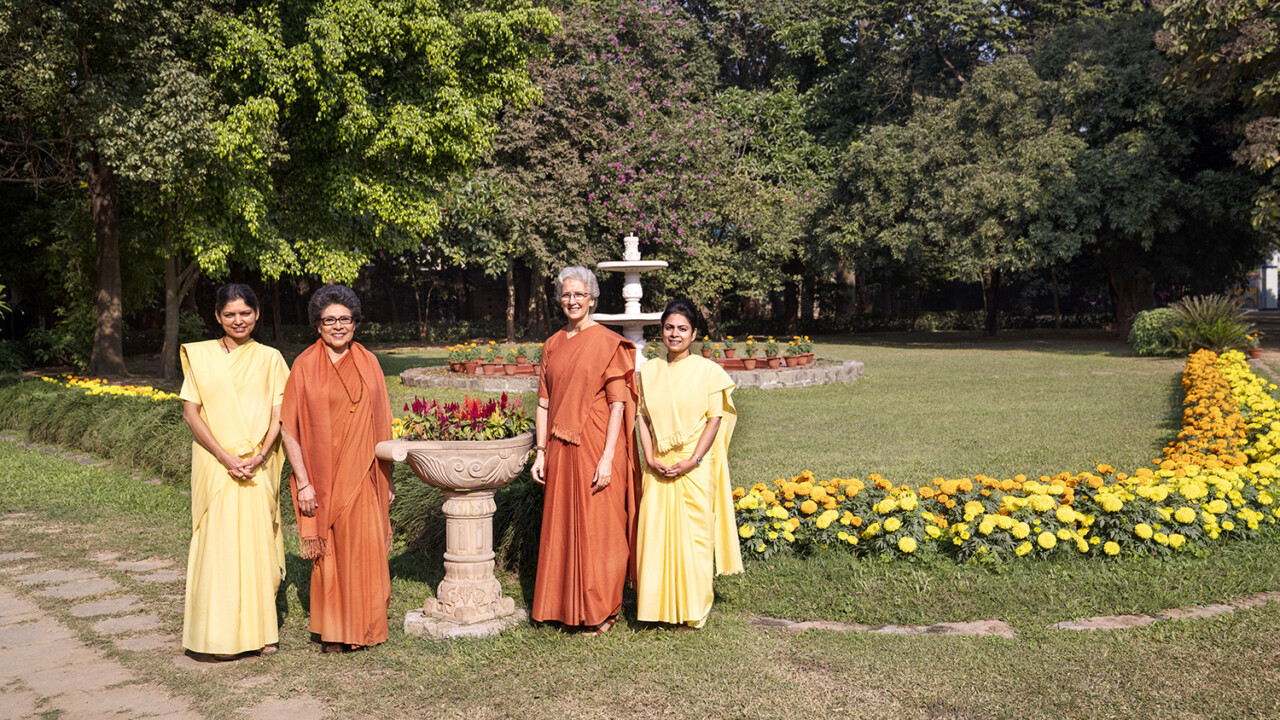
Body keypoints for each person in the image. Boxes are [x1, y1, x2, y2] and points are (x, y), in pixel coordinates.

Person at [280, 285, 395, 653]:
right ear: (318, 325)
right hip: (320, 477)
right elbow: (288, 427)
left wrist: (388, 478)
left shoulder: (370, 363)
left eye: (345, 319)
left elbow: (383, 423)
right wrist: (303, 483)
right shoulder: (303, 366)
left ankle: (365, 628)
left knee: (362, 550)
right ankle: (333, 632)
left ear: (355, 323)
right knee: (329, 555)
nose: (338, 326)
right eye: (330, 320)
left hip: (364, 473)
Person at [180, 284, 289, 659]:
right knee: (220, 547)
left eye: (245, 313)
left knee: (257, 545)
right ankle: (217, 637)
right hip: (217, 466)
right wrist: (225, 457)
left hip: (256, 467)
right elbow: (191, 412)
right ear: (217, 317)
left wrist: (259, 456)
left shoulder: (272, 358)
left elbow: (280, 414)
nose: (238, 320)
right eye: (230, 314)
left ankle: (262, 634)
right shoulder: (202, 356)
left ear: (257, 314)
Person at [530, 266, 637, 635]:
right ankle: (563, 606)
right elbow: (544, 403)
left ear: (592, 298)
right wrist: (540, 451)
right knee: (562, 526)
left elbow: (618, 405)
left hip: (596, 445)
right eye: (566, 295)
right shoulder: (552, 344)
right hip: (560, 448)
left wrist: (608, 457)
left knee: (600, 528)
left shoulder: (607, 342)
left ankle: (601, 610)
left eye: (579, 295)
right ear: (560, 299)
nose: (572, 301)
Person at [635, 298, 742, 629]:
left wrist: (692, 460)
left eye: (682, 328)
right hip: (657, 466)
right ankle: (654, 610)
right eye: (669, 328)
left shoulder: (709, 372)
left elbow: (715, 420)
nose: (675, 334)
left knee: (694, 539)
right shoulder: (649, 371)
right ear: (661, 331)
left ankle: (692, 611)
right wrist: (650, 456)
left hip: (694, 468)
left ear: (694, 334)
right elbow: (642, 416)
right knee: (654, 537)